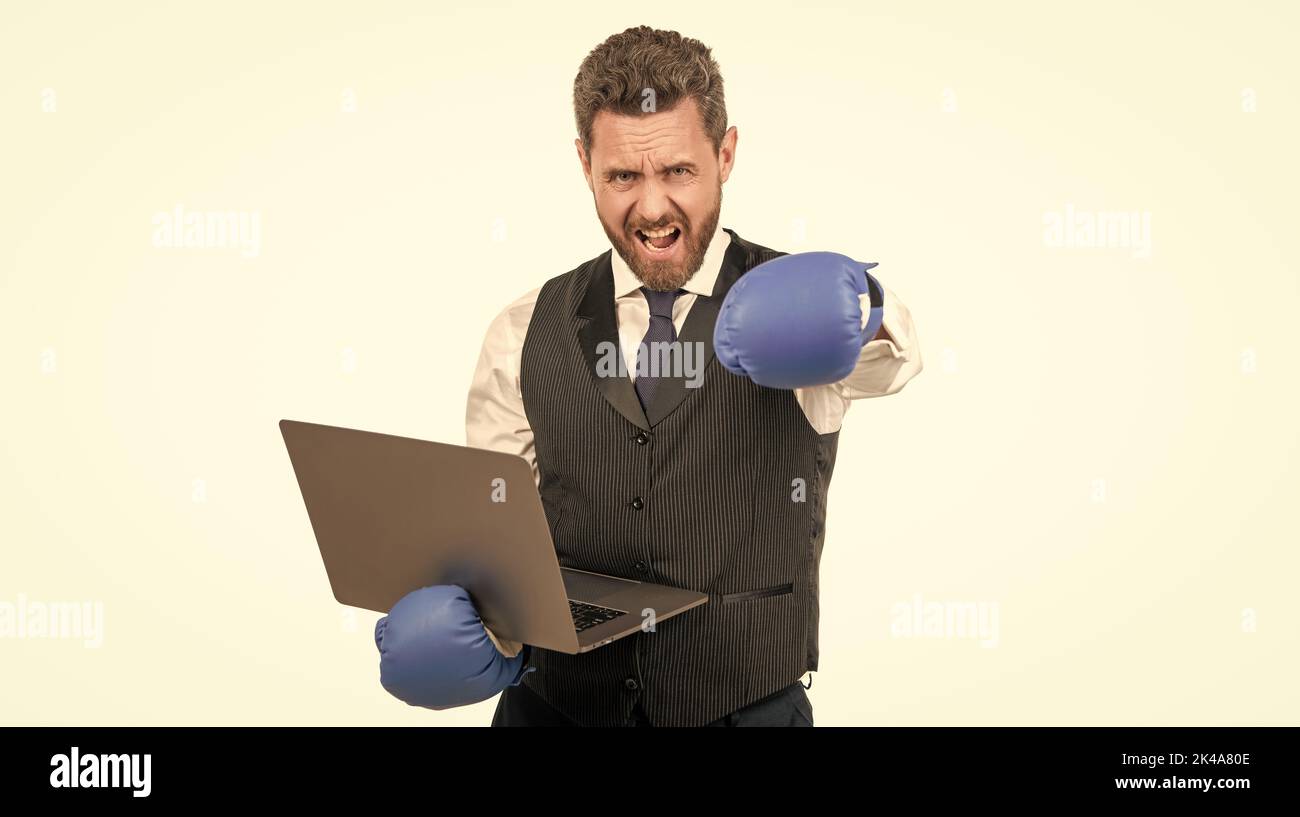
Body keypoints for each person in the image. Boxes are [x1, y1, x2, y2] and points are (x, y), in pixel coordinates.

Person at [374, 25, 922, 727]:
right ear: (584, 164)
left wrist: (859, 307)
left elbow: (897, 353)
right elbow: (499, 535)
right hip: (555, 709)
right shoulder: (524, 328)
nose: (654, 207)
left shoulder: (797, 302)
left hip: (745, 709)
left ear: (725, 155)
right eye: (623, 176)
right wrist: (476, 627)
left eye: (679, 171)